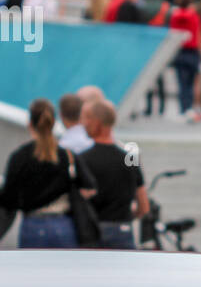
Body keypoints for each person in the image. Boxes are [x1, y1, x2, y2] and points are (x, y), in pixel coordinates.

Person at [0, 98, 96, 248]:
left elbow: (8, 198)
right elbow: (89, 186)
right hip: (63, 225)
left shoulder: (20, 157)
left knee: (32, 271)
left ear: (30, 124)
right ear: (53, 122)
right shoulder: (66, 155)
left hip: (32, 224)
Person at [79, 98, 149, 250]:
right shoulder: (130, 158)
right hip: (122, 231)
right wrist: (128, 216)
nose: (83, 123)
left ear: (97, 123)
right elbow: (143, 206)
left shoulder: (83, 159)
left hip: (92, 232)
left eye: (86, 118)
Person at [169, 0, 201, 118]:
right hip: (192, 51)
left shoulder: (174, 16)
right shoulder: (194, 16)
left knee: (182, 82)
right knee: (191, 82)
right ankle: (189, 107)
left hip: (180, 51)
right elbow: (199, 35)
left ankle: (183, 108)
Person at [139, 0, 171, 116]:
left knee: (147, 76)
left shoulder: (143, 5)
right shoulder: (166, 6)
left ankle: (149, 107)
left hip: (146, 44)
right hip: (161, 44)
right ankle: (162, 107)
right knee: (160, 78)